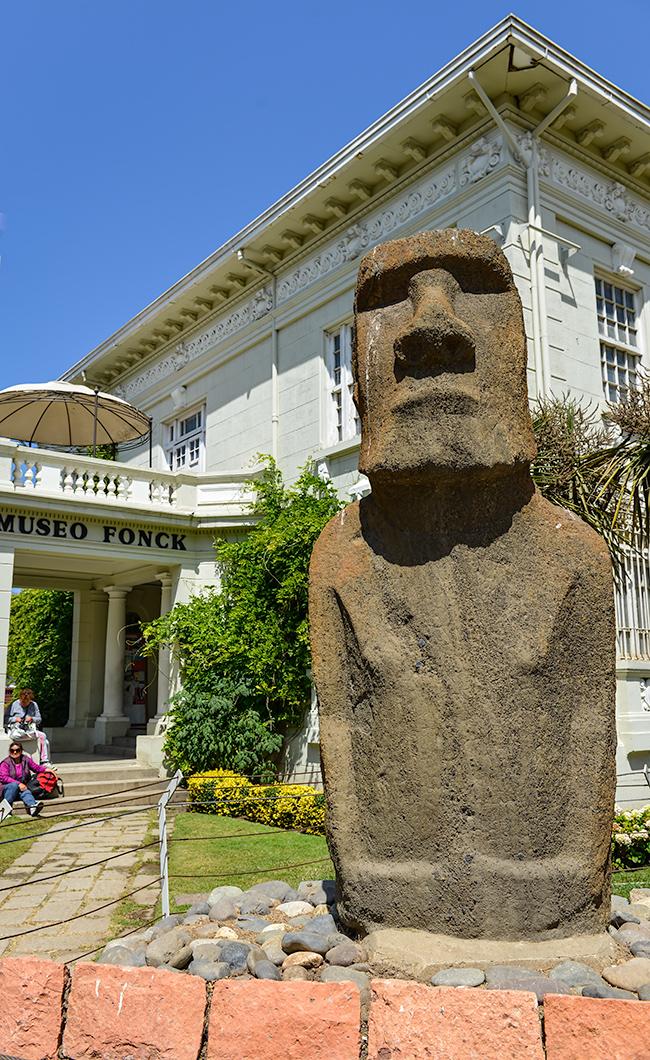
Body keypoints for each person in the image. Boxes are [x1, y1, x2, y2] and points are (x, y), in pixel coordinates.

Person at [5, 688, 52, 766]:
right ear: (20, 698)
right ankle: (45, 761)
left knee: (44, 739)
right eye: (23, 701)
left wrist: (32, 719)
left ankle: (45, 761)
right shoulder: (13, 705)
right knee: (44, 740)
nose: (25, 703)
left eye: (27, 701)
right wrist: (14, 719)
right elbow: (5, 719)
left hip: (30, 730)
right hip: (17, 731)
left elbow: (39, 719)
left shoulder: (34, 705)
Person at [0, 742, 46, 820]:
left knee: (26, 792)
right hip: (7, 789)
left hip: (21, 788)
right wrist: (19, 784)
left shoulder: (25, 760)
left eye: (17, 750)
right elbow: (4, 778)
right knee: (14, 785)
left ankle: (33, 807)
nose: (15, 752)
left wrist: (48, 770)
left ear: (21, 751)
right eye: (12, 750)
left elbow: (36, 768)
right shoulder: (5, 763)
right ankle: (4, 810)